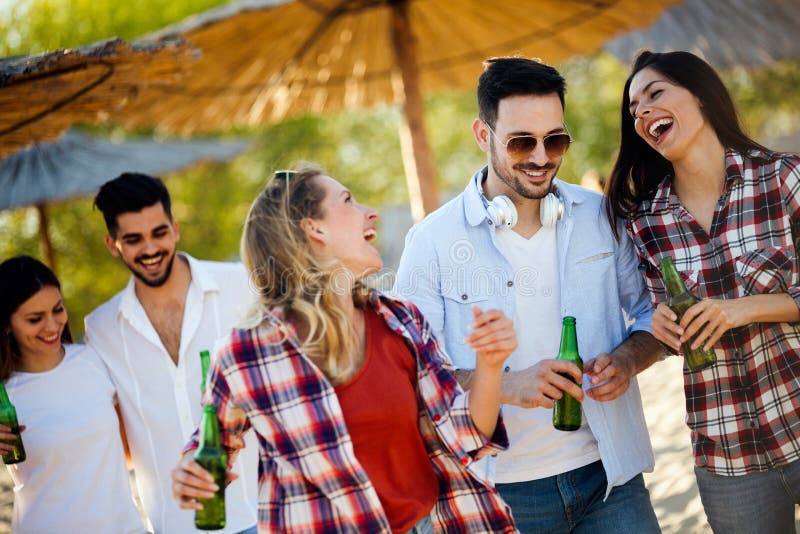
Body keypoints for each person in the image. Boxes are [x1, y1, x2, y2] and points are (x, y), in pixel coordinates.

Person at [394, 56, 663, 533]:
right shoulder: (430, 242)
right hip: (497, 491)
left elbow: (651, 314)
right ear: (483, 135)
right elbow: (408, 373)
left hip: (610, 478)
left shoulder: (601, 216)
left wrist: (627, 360)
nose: (542, 157)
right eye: (522, 142)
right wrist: (504, 386)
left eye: (555, 140)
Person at [170, 166, 519, 533]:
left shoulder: (400, 322)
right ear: (314, 229)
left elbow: (466, 435)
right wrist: (191, 472)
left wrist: (490, 363)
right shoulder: (246, 354)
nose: (371, 212)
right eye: (348, 200)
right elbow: (209, 447)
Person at [605, 50, 800, 534]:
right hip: (727, 454)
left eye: (655, 93)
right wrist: (663, 327)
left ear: (701, 96)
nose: (642, 112)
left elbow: (738, 310)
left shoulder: (782, 178)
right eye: (634, 109)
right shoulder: (647, 224)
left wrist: (743, 310)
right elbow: (670, 333)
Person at [84, 172, 259, 533]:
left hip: (260, 513)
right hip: (173, 524)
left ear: (175, 229)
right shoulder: (100, 329)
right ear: (112, 244)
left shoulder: (241, 285)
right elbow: (93, 422)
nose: (150, 249)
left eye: (159, 233)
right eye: (133, 239)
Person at [0, 255, 145, 533]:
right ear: (6, 324)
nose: (52, 326)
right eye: (35, 319)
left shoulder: (94, 360)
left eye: (58, 309)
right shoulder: (5, 394)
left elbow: (130, 446)